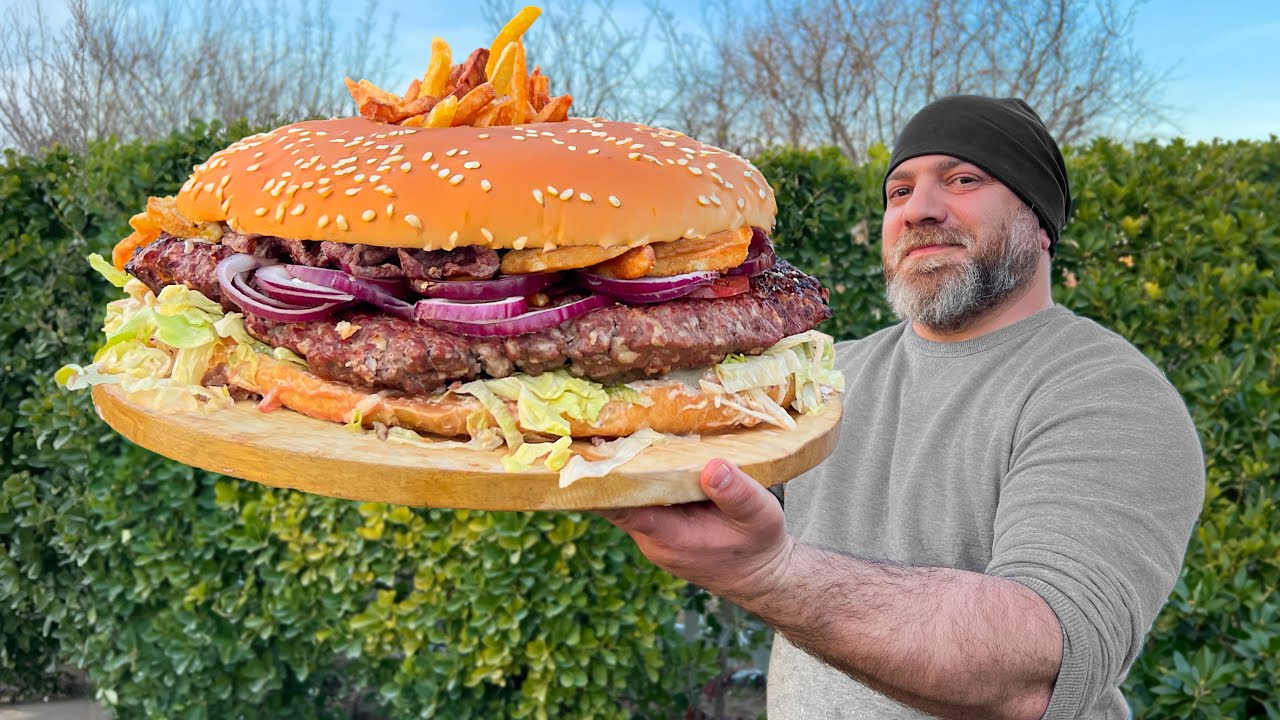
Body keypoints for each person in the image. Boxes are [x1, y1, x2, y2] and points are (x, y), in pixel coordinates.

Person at [597, 95, 1205, 720]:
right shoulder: (828, 377)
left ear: (1041, 222)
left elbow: (1038, 673)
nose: (919, 210)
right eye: (898, 191)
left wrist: (768, 573)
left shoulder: (1106, 393)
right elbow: (718, 500)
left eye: (963, 179)